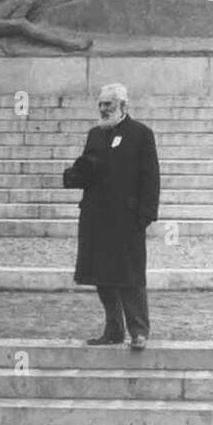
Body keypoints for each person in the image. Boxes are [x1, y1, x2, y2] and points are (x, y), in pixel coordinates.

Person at [63, 83, 160, 350]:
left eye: (109, 104)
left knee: (130, 277)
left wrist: (145, 216)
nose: (103, 109)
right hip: (97, 218)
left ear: (123, 106)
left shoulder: (141, 134)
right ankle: (113, 330)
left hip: (127, 220)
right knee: (102, 276)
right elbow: (87, 170)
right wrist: (74, 175)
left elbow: (151, 178)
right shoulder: (95, 134)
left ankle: (139, 331)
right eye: (101, 104)